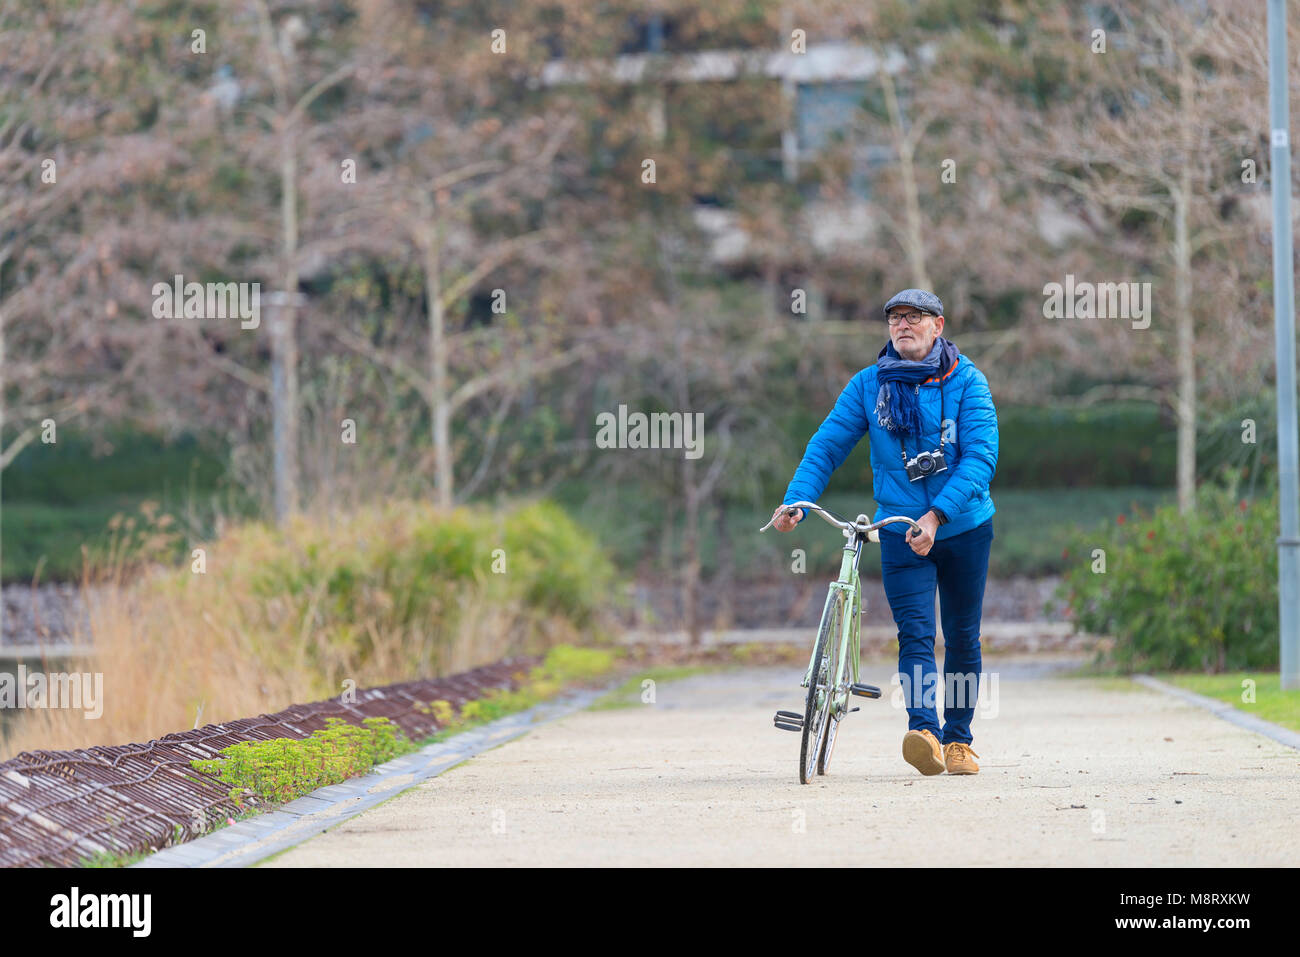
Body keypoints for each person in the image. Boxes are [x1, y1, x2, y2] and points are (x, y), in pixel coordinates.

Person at [771, 288, 998, 776]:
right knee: (915, 633)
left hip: (961, 528)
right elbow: (826, 445)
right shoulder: (868, 385)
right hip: (898, 527)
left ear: (938, 325)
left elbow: (980, 459)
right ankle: (924, 733)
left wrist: (937, 516)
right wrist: (797, 501)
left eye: (914, 317)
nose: (902, 325)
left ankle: (959, 740)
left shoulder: (969, 383)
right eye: (895, 318)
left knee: (961, 636)